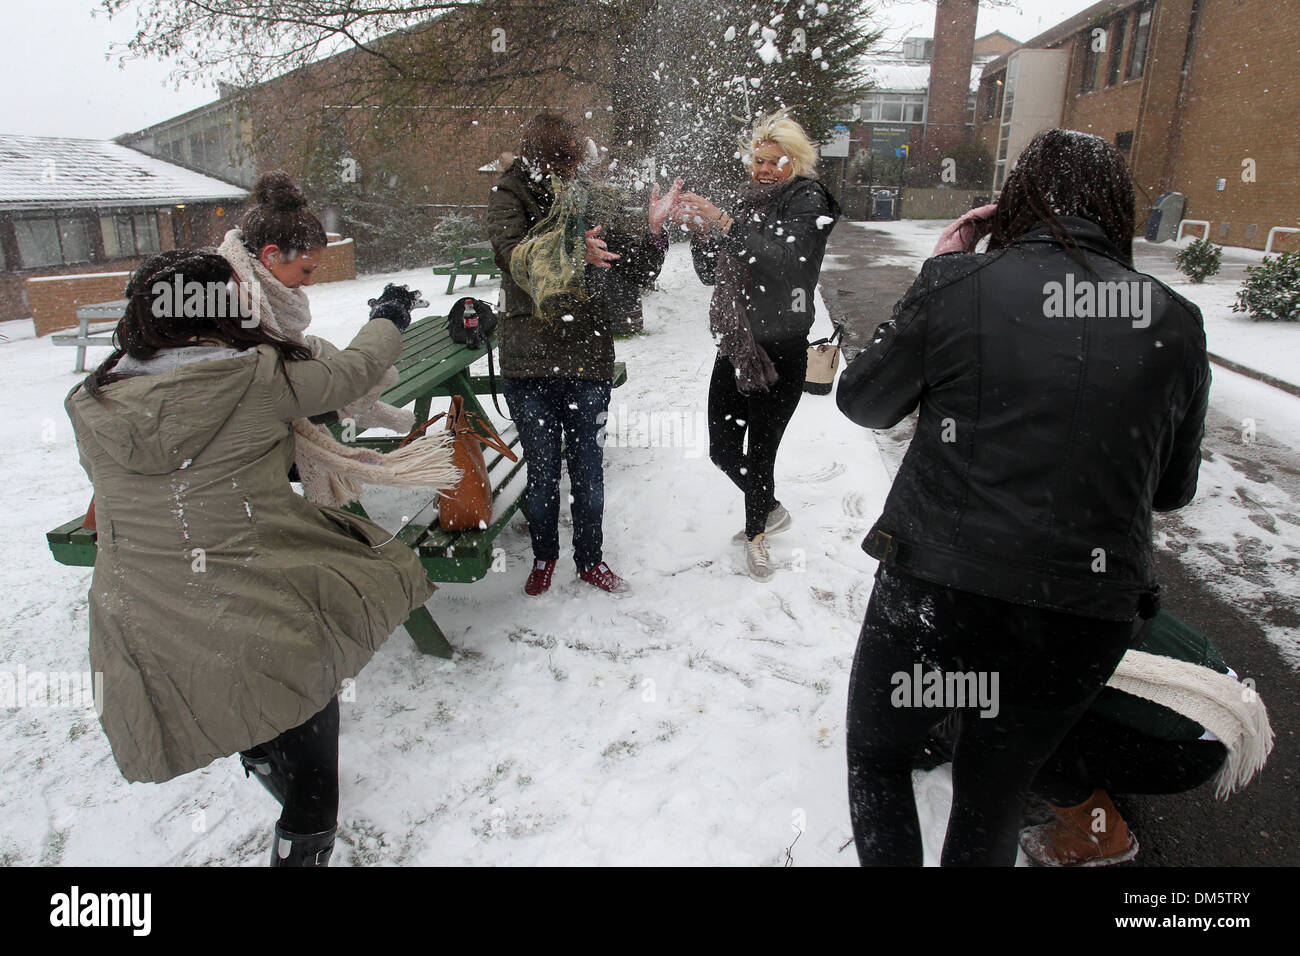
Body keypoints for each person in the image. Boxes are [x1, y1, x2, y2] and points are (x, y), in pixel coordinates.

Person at [836, 128, 1211, 866]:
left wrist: (938, 272)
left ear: (1015, 202)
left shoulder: (959, 288)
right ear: (1115, 208)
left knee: (881, 759)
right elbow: (1172, 490)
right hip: (1081, 614)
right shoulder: (1172, 319)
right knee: (994, 791)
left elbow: (864, 401)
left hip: (941, 594)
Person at [66, 249, 439, 866]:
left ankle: (267, 764)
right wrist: (390, 314)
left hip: (141, 612)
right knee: (302, 672)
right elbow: (354, 371)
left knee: (246, 694)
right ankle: (305, 828)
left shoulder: (92, 401)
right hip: (253, 592)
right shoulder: (259, 377)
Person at [487, 113, 679, 596]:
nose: (570, 171)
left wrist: (653, 232)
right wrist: (572, 249)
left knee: (589, 473)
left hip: (586, 356)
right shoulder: (510, 193)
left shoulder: (584, 195)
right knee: (544, 473)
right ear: (540, 158)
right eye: (561, 162)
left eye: (573, 163)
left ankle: (591, 560)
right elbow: (511, 255)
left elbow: (632, 265)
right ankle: (545, 557)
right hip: (530, 357)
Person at [915, 609, 1272, 866]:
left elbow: (989, 710)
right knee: (1039, 707)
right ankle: (1104, 763)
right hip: (1214, 700)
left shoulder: (1017, 641)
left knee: (1021, 741)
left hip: (1188, 746)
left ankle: (1100, 838)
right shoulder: (1058, 588)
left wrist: (922, 745)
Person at [673, 109, 841, 582]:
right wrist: (704, 234)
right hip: (738, 341)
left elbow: (788, 263)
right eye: (759, 160)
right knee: (723, 449)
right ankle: (767, 507)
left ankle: (756, 536)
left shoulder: (809, 201)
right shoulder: (749, 201)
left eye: (775, 161)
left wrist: (725, 223)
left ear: (795, 162)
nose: (764, 169)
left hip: (783, 346)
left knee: (762, 450)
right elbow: (715, 272)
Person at [218, 172, 450, 509]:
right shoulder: (237, 319)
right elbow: (318, 391)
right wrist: (388, 320)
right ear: (270, 256)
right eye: (306, 270)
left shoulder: (257, 303)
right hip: (244, 477)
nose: (309, 283)